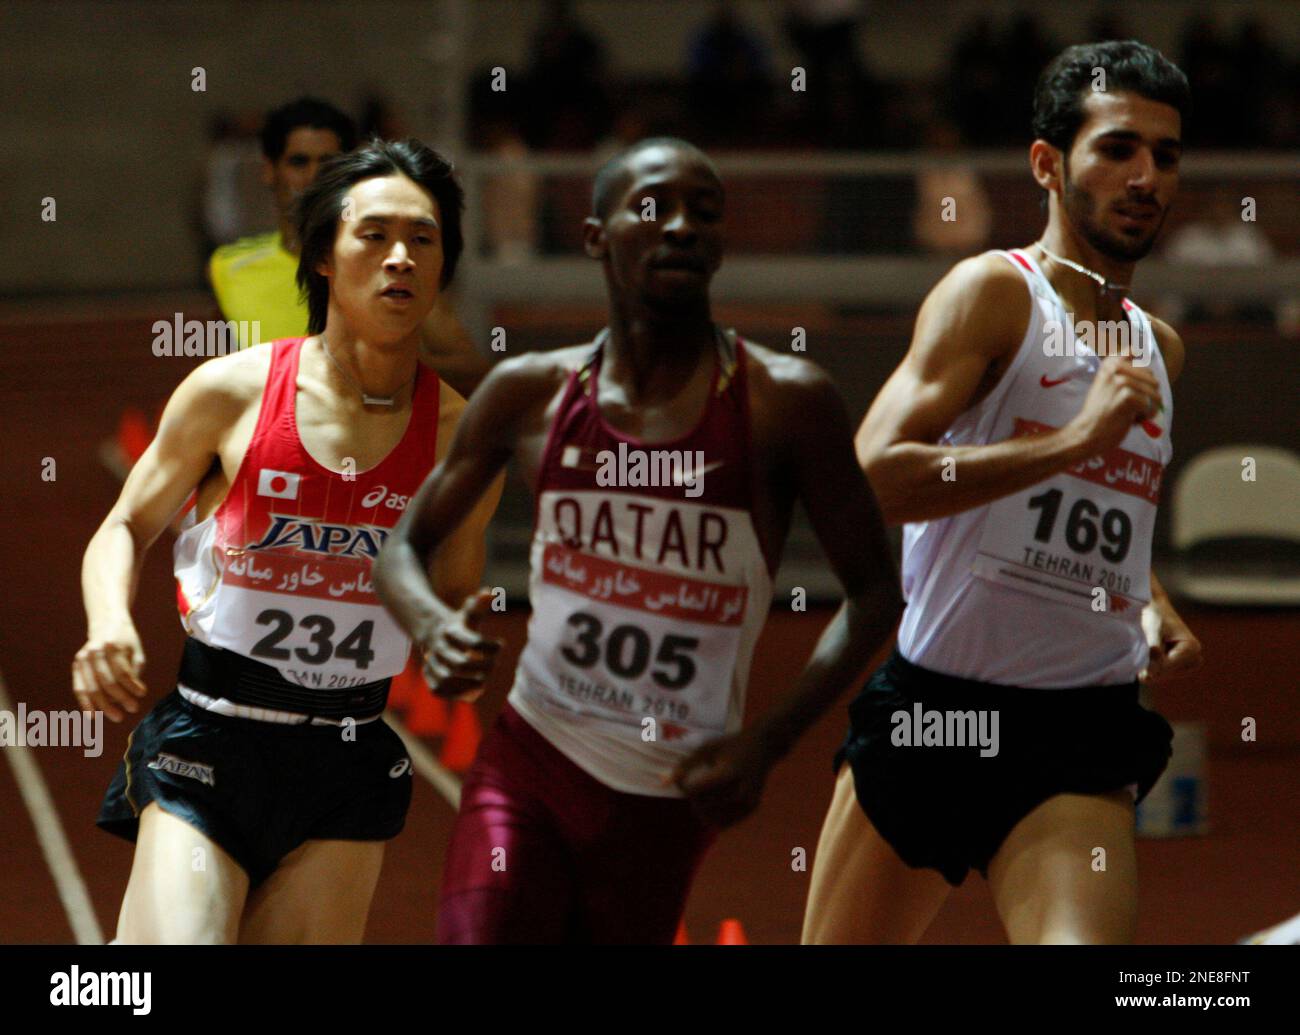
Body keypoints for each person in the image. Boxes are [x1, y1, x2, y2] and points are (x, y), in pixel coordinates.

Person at [374, 137, 903, 944]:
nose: (682, 227)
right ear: (596, 236)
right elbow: (403, 545)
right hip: (532, 760)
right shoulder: (533, 394)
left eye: (706, 213)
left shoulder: (786, 402)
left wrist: (769, 739)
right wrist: (431, 626)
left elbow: (875, 593)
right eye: (655, 208)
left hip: (667, 797)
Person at [802, 40, 1204, 945]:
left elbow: (1114, 512)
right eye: (1117, 149)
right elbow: (869, 478)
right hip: (937, 718)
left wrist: (1151, 601)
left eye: (1165, 156)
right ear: (1048, 164)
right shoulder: (994, 295)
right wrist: (1072, 438)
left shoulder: (1161, 350)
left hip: (1079, 735)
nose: (1145, 176)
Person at [77, 139, 500, 943]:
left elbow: (452, 608)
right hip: (210, 739)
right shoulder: (230, 393)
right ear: (319, 255)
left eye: (424, 238)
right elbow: (125, 524)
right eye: (373, 236)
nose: (400, 258)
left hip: (347, 760)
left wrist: (463, 646)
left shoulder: (461, 440)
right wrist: (109, 623)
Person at [208, 97, 488, 397]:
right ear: (269, 169)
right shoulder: (229, 268)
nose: (313, 177)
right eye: (299, 162)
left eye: (328, 163)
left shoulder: (387, 263)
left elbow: (473, 369)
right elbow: (222, 367)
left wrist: (385, 366)